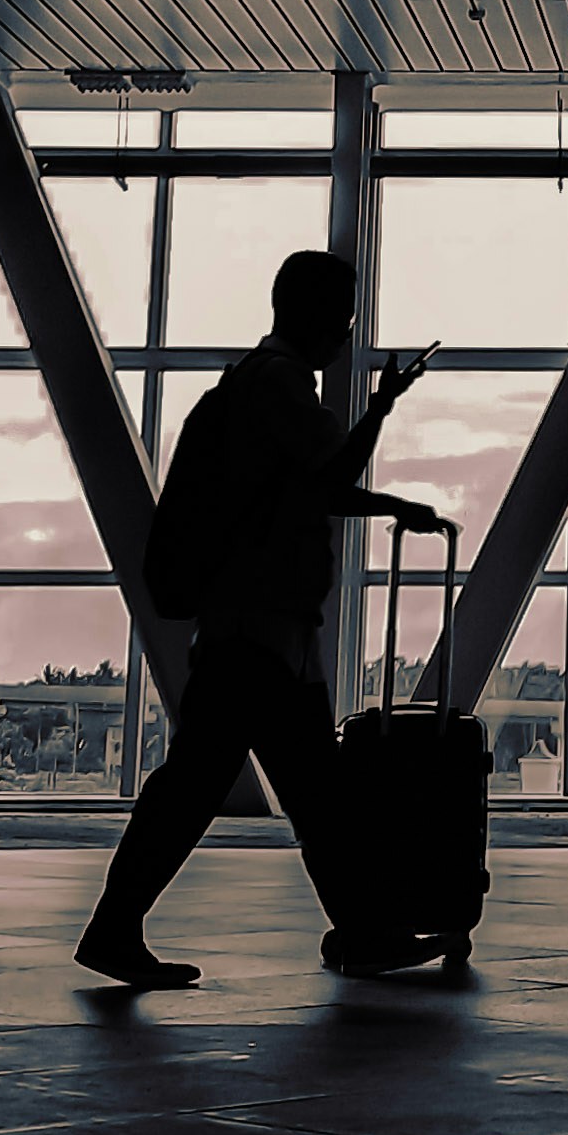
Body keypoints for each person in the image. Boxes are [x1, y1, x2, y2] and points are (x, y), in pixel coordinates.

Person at [76, 248, 449, 989]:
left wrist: (390, 499)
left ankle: (359, 930)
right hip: (259, 632)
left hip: (255, 628)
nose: (345, 335)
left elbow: (305, 490)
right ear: (313, 315)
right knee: (239, 789)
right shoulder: (280, 385)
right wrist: (380, 411)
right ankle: (119, 928)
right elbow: (330, 477)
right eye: (341, 319)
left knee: (291, 789)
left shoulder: (248, 384)